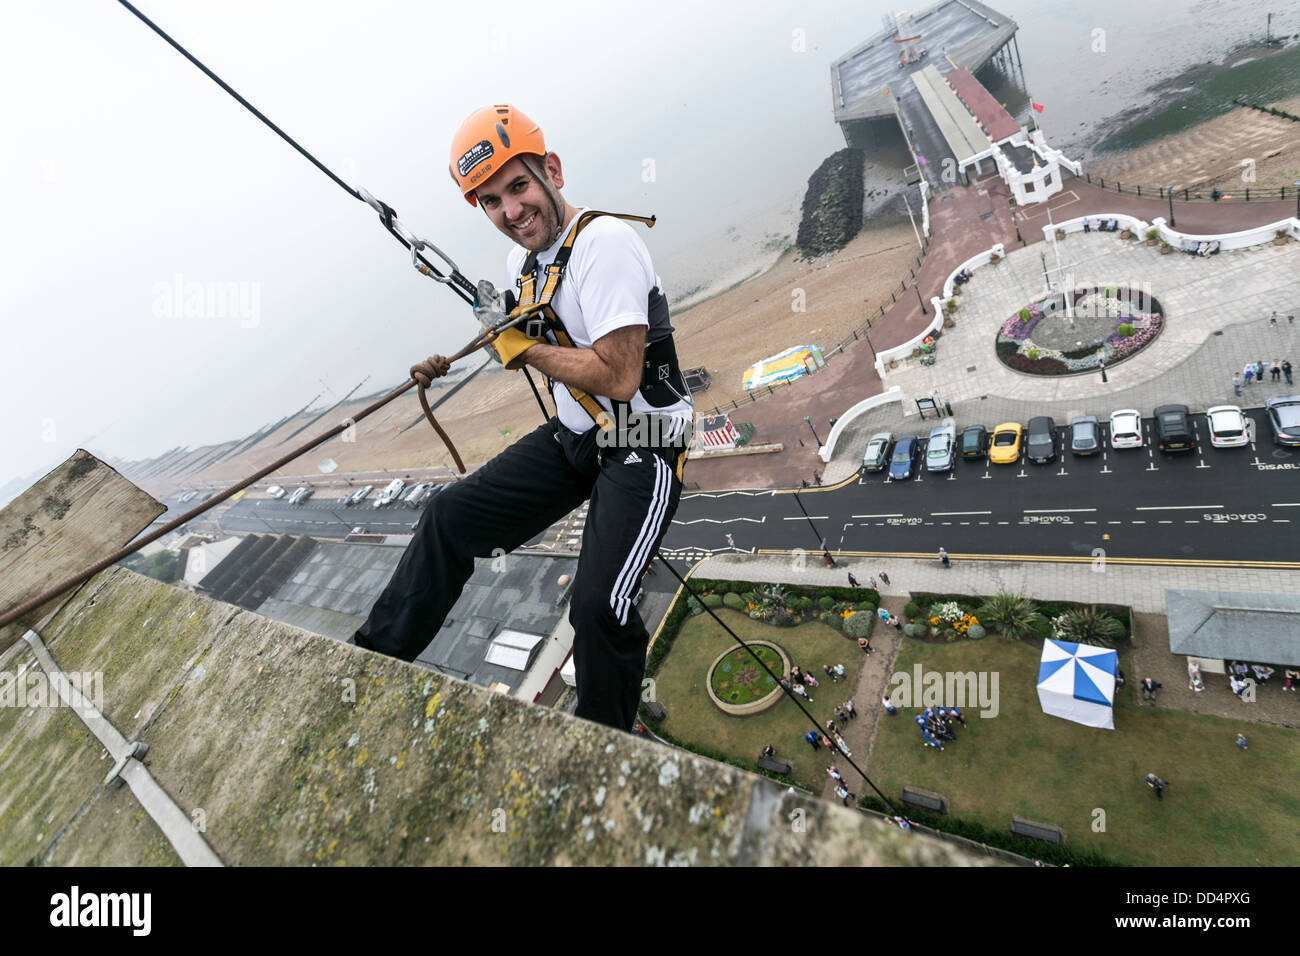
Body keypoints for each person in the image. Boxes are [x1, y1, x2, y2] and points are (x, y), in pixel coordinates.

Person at [352, 105, 693, 733]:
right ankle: (367, 663)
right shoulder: (522, 265)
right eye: (491, 201)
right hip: (576, 436)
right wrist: (485, 339)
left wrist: (520, 346)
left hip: (643, 439)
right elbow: (537, 332)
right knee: (447, 517)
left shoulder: (605, 245)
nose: (511, 211)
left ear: (551, 171)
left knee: (599, 605)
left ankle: (603, 746)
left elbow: (619, 374)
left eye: (518, 186)